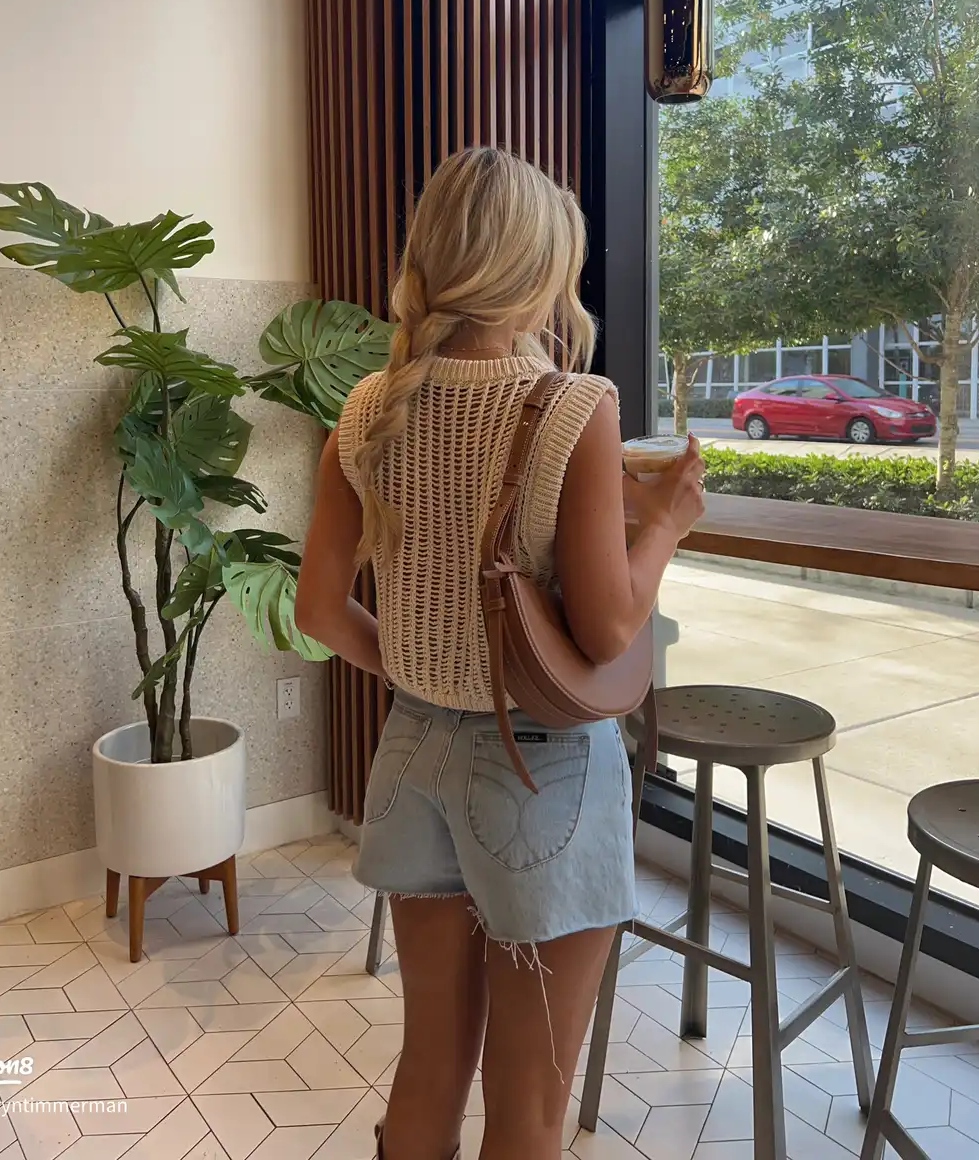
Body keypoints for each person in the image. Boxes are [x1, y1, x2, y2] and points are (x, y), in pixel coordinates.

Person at [295, 147, 706, 1160]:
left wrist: (422, 668)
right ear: (538, 266)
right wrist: (667, 525)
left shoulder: (366, 408)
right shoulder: (577, 405)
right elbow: (609, 632)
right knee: (528, 1103)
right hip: (543, 779)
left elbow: (316, 611)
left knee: (428, 1062)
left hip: (411, 761)